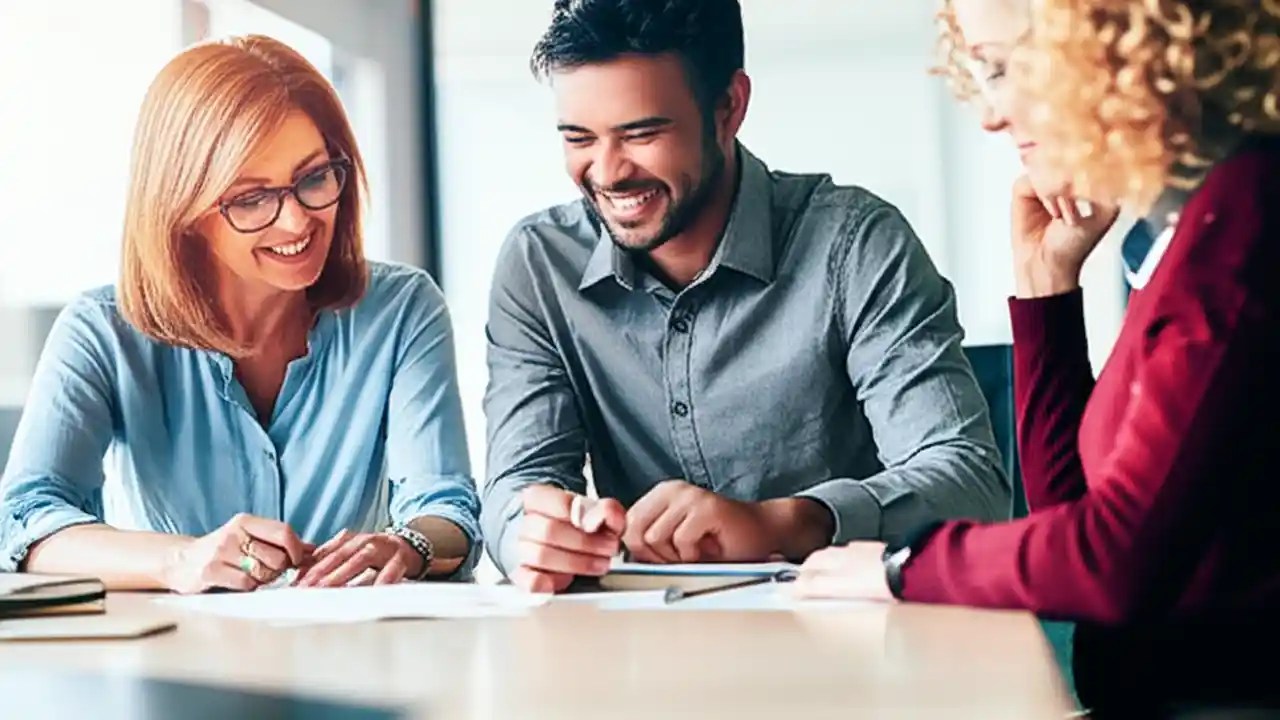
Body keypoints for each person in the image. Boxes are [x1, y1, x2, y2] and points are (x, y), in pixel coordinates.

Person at [793, 0, 1280, 714]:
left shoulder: (1244, 222)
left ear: (1117, 37)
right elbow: (1074, 507)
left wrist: (903, 566)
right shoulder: (1198, 222)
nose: (990, 115)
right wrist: (1046, 289)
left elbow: (1112, 562)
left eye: (1001, 67)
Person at [481, 0, 1010, 594]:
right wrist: (534, 536)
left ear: (729, 107)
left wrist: (787, 522)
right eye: (579, 138)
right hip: (636, 651)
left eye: (642, 134)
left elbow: (973, 484)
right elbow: (515, 487)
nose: (607, 172)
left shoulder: (855, 243)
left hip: (854, 648)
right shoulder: (539, 263)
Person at [0, 35, 481, 593]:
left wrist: (407, 545)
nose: (297, 222)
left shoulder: (401, 310)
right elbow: (24, 520)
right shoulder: (102, 330)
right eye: (252, 200)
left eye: (314, 178)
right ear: (182, 209)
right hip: (174, 662)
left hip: (353, 656)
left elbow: (447, 507)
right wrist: (180, 560)